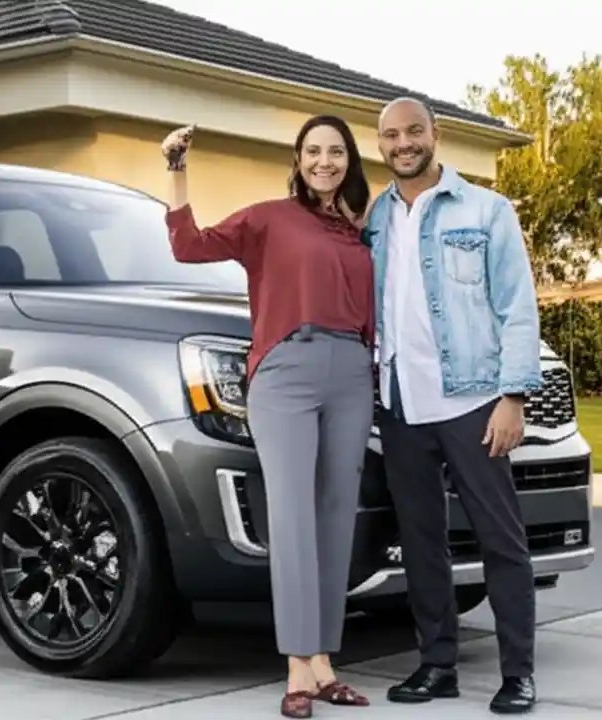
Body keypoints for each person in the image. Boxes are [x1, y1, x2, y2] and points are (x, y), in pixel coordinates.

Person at [161, 116, 375, 719]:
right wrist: (177, 169)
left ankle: (326, 664)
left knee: (336, 516)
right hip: (285, 371)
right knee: (292, 515)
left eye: (335, 152)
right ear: (299, 159)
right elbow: (189, 245)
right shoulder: (268, 218)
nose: (324, 161)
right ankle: (296, 671)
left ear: (349, 160)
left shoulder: (362, 230)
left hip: (353, 373)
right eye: (313, 151)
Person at [367, 96, 542, 715]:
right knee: (421, 544)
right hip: (401, 403)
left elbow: (518, 309)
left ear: (435, 135)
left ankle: (518, 673)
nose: (403, 143)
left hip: (472, 401)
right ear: (381, 143)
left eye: (414, 131)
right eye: (391, 135)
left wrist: (513, 397)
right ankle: (437, 665)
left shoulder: (486, 210)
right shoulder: (375, 217)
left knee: (501, 540)